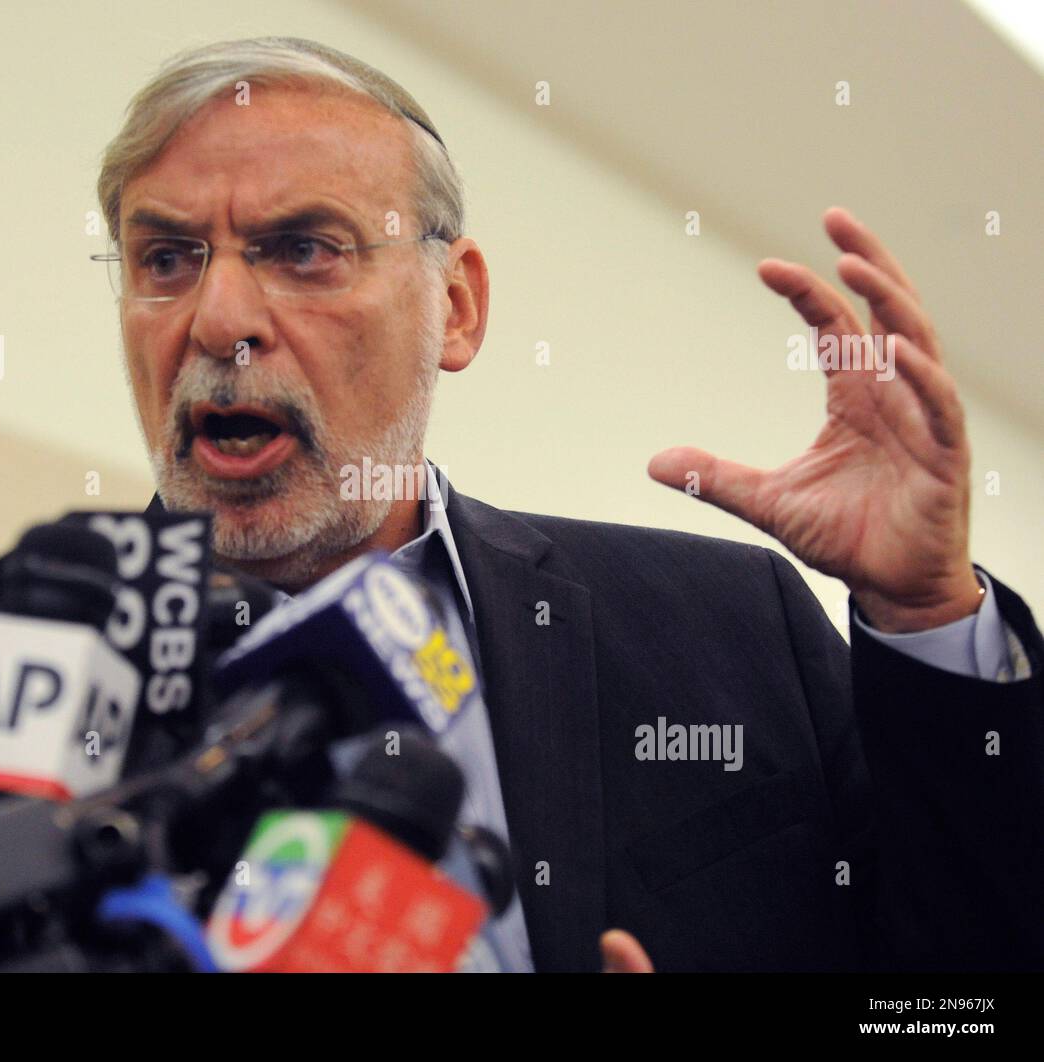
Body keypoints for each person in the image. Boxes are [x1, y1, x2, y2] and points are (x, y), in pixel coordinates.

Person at [95, 37, 1042, 971]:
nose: (219, 321)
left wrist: (925, 613)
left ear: (456, 307)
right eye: (168, 258)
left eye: (302, 249)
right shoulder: (10, 692)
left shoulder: (728, 625)